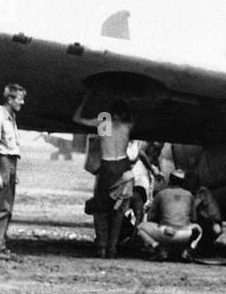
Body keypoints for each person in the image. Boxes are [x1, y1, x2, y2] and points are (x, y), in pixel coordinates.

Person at [79, 100, 135, 259]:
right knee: (119, 211)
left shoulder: (104, 125)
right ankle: (113, 249)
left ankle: (101, 247)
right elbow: (131, 117)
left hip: (107, 168)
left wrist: (86, 98)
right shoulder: (128, 125)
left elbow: (78, 119)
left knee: (101, 209)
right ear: (124, 113)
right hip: (123, 167)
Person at [0, 83, 26, 260]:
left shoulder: (11, 117)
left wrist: (13, 173)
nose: (22, 102)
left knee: (7, 207)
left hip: (10, 163)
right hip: (2, 162)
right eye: (19, 99)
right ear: (10, 99)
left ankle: (0, 244)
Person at [137, 169, 202, 261]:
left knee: (140, 228)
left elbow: (150, 218)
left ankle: (158, 249)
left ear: (170, 180)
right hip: (184, 234)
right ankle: (187, 251)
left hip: (164, 232)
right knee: (199, 229)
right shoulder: (189, 195)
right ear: (183, 183)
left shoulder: (161, 193)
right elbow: (194, 218)